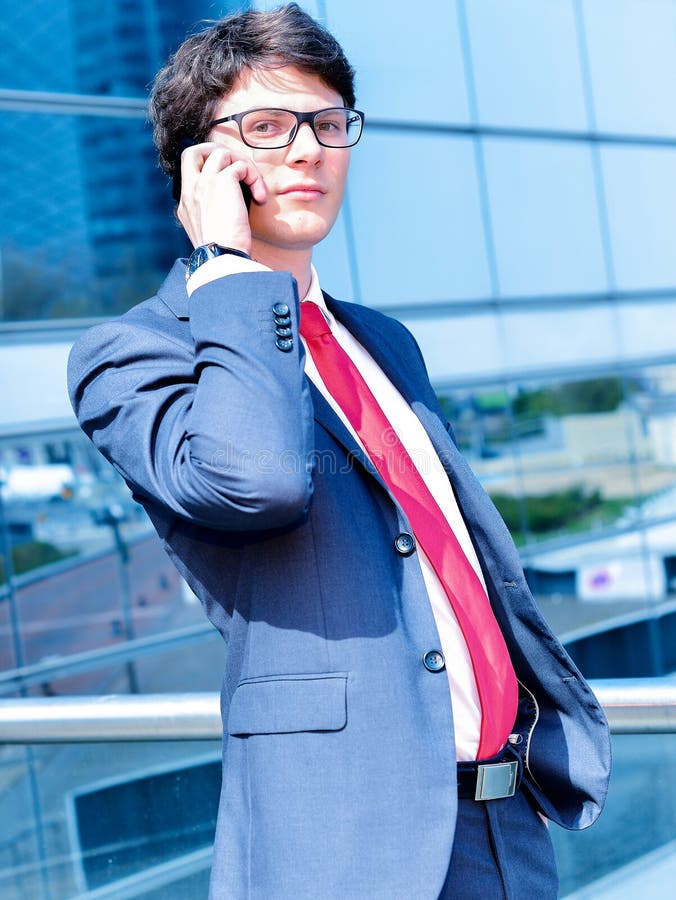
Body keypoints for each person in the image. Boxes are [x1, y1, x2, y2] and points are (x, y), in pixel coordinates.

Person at [68, 5, 611, 898]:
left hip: (504, 824)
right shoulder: (134, 354)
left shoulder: (384, 342)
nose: (309, 149)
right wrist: (225, 266)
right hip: (346, 847)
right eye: (267, 127)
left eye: (327, 123)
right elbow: (256, 483)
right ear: (198, 163)